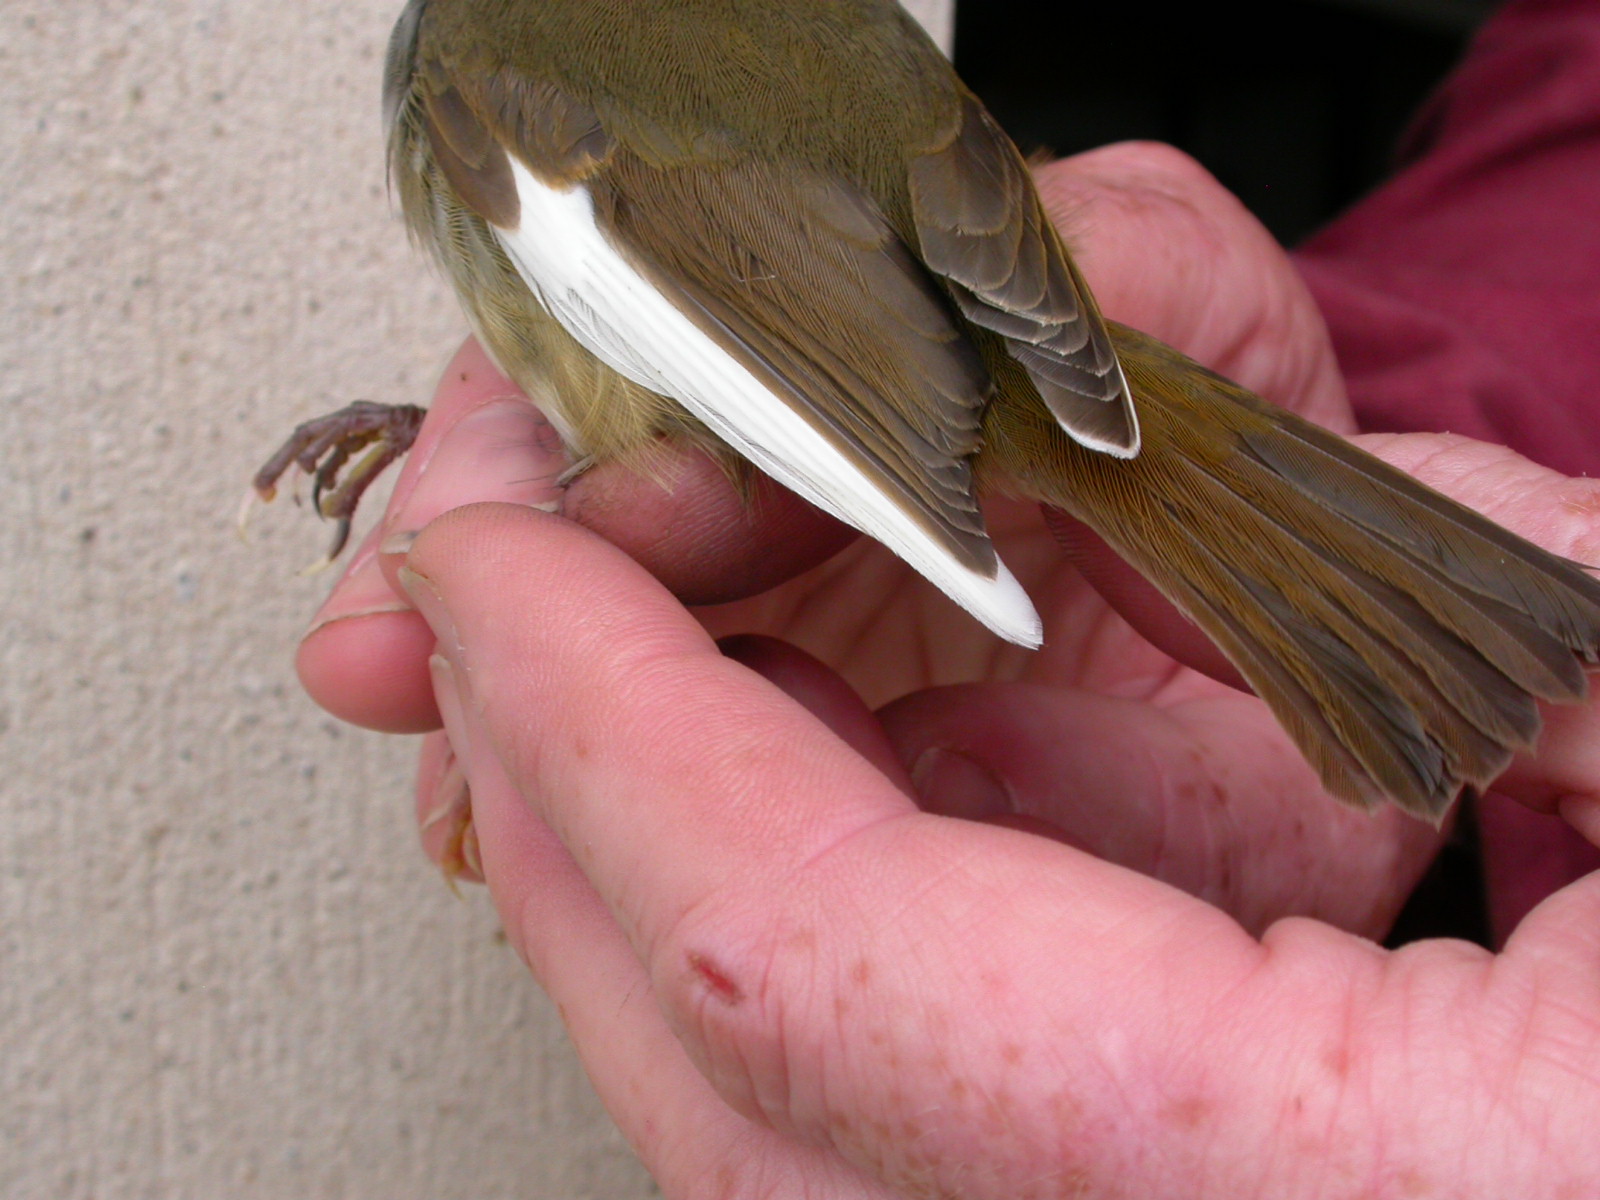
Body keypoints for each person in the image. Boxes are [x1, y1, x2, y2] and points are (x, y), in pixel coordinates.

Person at [292, 0, 1600, 1191]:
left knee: (578, 539)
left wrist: (883, 472)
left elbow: (692, 320)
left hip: (850, 357)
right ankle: (1465, 640)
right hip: (973, 316)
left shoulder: (488, 49)